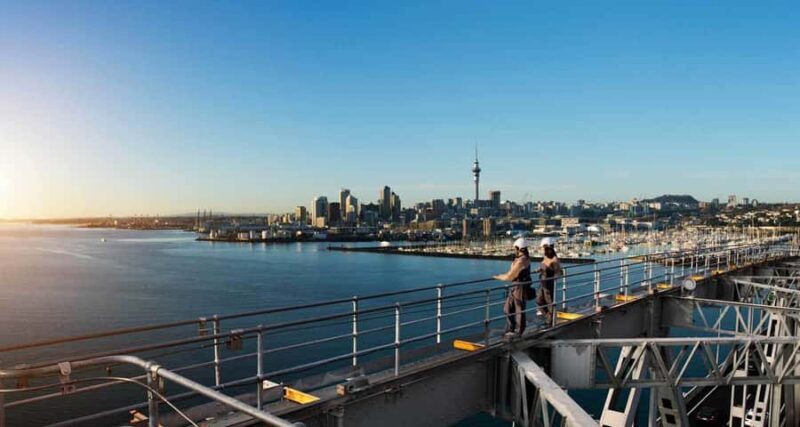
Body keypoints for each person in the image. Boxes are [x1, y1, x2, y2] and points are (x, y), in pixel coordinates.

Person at [493, 237, 533, 337]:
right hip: (516, 287)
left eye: (515, 248)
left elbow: (510, 276)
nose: (514, 250)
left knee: (519, 310)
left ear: (519, 248)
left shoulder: (521, 261)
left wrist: (498, 277)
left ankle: (518, 331)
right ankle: (511, 328)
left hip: (519, 288)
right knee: (508, 308)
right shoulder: (523, 259)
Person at [536, 237, 562, 323]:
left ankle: (551, 320)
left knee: (549, 302)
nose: (544, 251)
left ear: (550, 249)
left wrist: (554, 277)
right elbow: (543, 266)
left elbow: (558, 272)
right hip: (542, 282)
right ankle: (548, 317)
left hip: (549, 283)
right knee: (539, 300)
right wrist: (539, 270)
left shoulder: (555, 260)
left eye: (545, 249)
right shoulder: (545, 257)